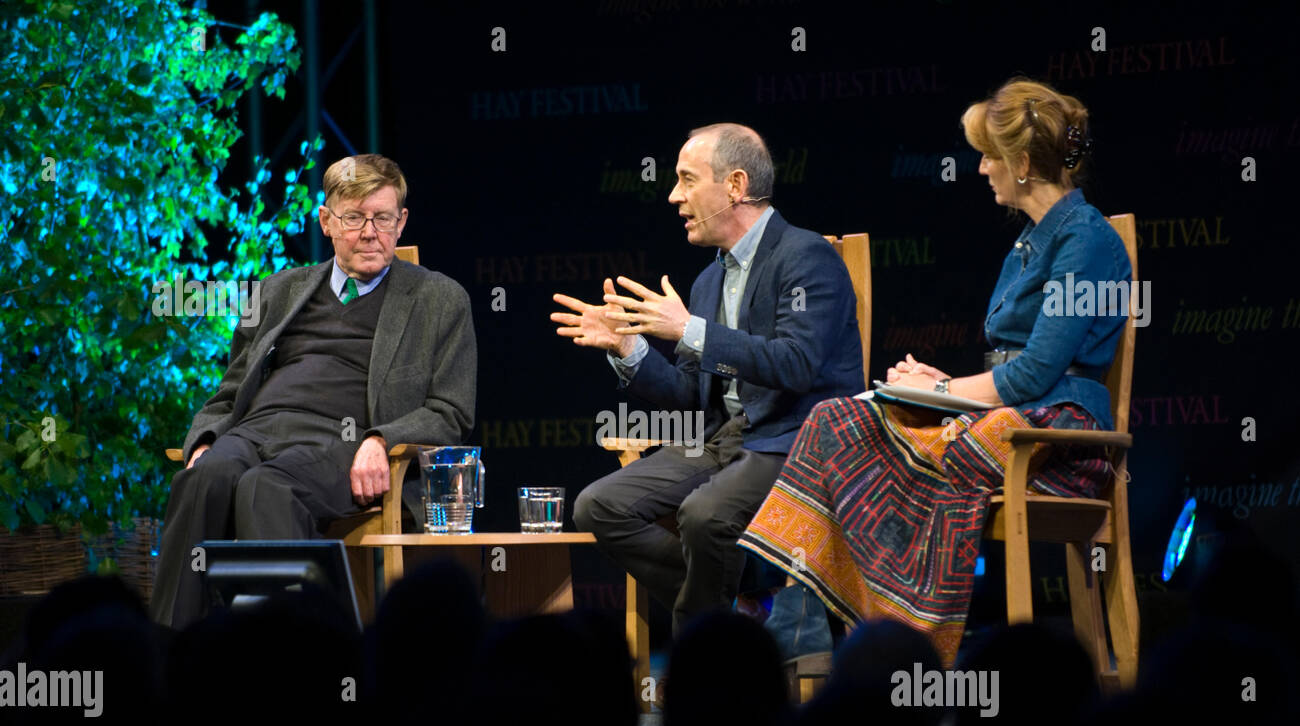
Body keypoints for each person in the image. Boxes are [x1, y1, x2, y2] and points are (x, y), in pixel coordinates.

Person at [740, 79, 1131, 667]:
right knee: (837, 419)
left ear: (1023, 164)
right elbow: (1013, 371)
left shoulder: (1085, 240)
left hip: (1061, 440)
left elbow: (1033, 377)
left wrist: (941, 391)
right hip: (1011, 418)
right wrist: (933, 384)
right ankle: (809, 618)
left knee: (948, 451)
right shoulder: (1031, 241)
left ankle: (909, 639)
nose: (982, 168)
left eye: (990, 155)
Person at [552, 123, 863, 634]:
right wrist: (629, 349)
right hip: (724, 440)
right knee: (598, 507)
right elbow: (691, 401)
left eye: (687, 179)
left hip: (795, 440)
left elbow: (797, 364)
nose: (674, 196)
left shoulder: (806, 256)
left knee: (703, 516)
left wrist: (689, 330)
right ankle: (738, 611)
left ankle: (708, 657)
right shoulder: (708, 280)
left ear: (735, 185)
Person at [150, 154, 477, 630]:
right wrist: (204, 440)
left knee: (266, 488)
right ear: (327, 221)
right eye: (354, 218)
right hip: (256, 430)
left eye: (383, 218)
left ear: (402, 221)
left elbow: (451, 412)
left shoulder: (439, 299)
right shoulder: (278, 290)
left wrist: (381, 439)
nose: (370, 232)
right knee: (203, 479)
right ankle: (169, 653)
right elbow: (231, 390)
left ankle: (294, 658)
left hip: (341, 442)